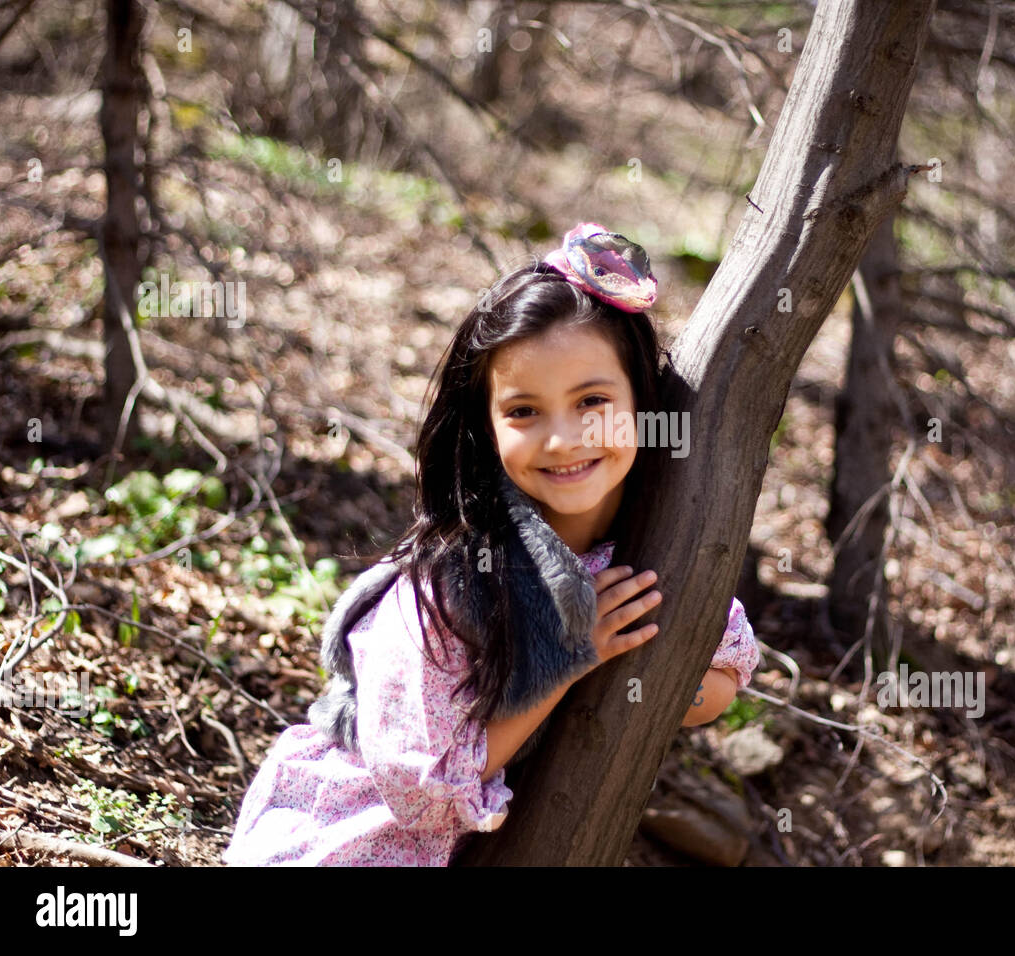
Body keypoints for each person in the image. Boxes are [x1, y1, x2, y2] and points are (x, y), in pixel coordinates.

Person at [222, 223, 760, 866]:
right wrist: (569, 661)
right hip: (348, 839)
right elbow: (421, 792)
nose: (563, 441)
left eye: (592, 399)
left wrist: (652, 664)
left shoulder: (645, 545)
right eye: (524, 412)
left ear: (644, 401)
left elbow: (716, 684)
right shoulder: (452, 584)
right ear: (487, 427)